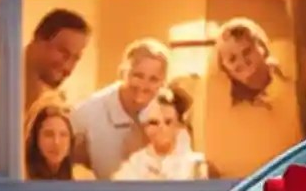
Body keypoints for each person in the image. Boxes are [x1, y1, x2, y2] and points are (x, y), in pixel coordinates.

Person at [0, 9, 91, 172]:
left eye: (75, 58)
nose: (68, 67)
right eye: (63, 52)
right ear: (37, 40)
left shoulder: (43, 97)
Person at [202, 17, 303, 179]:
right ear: (224, 67)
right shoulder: (226, 108)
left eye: (247, 51)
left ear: (262, 47)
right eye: (232, 59)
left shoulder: (290, 89)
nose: (242, 61)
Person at [70, 38, 173, 180]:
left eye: (153, 79)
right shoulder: (86, 113)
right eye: (138, 75)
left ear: (162, 83)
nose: (144, 85)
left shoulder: (169, 115)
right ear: (122, 73)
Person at [114, 86, 208, 181]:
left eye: (168, 122)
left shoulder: (195, 165)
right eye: (154, 123)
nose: (161, 128)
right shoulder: (136, 164)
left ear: (179, 125)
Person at [24, 104, 94, 181]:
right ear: (36, 138)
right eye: (49, 134)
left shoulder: (83, 178)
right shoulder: (22, 175)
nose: (56, 142)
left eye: (63, 135)